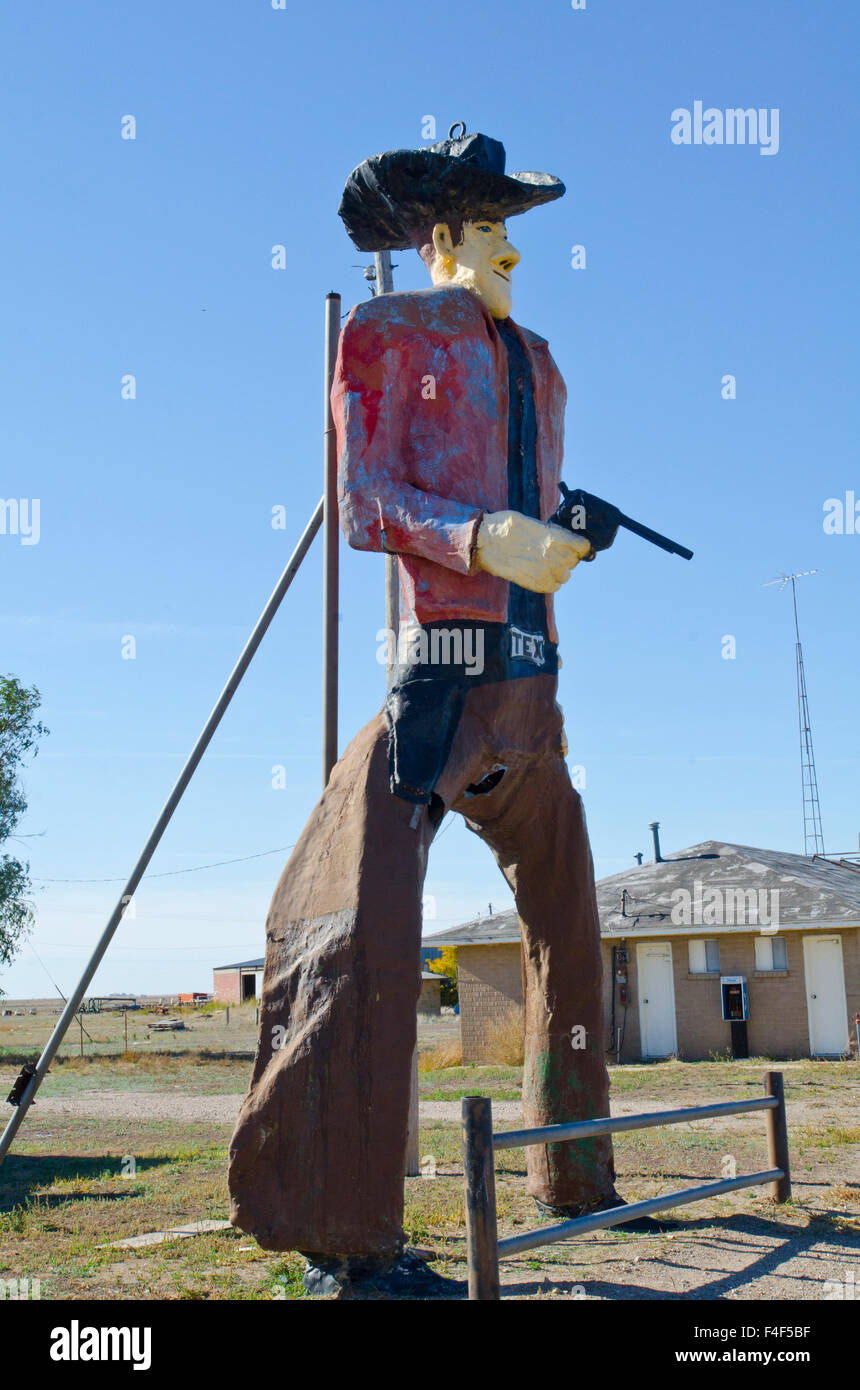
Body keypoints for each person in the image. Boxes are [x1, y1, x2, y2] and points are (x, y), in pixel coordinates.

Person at [228, 128, 623, 1297]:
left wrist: (564, 525)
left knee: (574, 934)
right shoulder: (386, 333)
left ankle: (576, 1172)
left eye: (515, 224)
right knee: (353, 930)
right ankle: (343, 1234)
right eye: (493, 224)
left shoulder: (543, 363)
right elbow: (365, 502)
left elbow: (535, 502)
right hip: (438, 672)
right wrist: (477, 536)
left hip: (532, 681)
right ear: (442, 235)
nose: (513, 247)